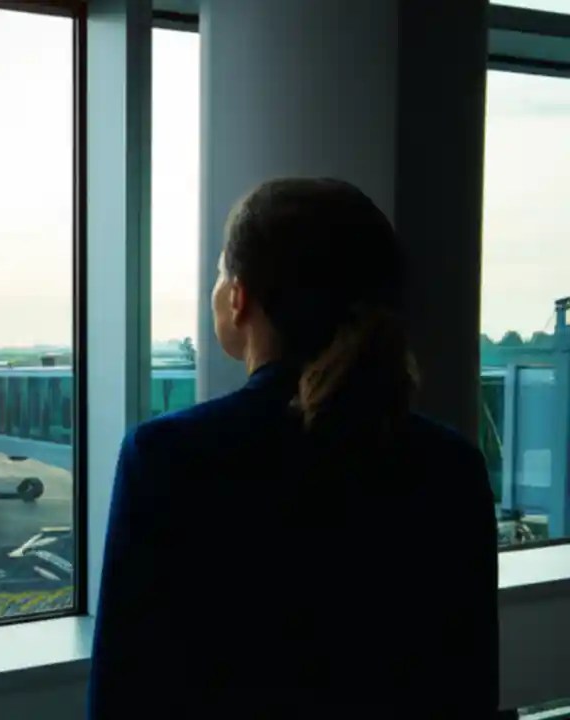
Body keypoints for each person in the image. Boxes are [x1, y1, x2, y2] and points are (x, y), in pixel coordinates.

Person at [88, 177, 498, 718]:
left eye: (220, 272)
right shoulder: (452, 467)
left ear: (239, 299)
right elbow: (468, 688)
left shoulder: (166, 457)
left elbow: (125, 692)